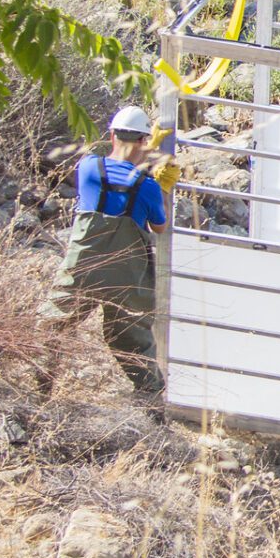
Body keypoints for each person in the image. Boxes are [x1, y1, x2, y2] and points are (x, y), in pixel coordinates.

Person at [40, 105, 170, 396]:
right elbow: (159, 228)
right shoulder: (147, 187)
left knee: (51, 327)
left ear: (111, 135)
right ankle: (152, 403)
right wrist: (161, 186)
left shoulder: (88, 168)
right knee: (132, 341)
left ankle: (39, 391)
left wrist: (143, 158)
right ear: (143, 141)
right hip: (127, 277)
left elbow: (114, 174)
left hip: (84, 268)